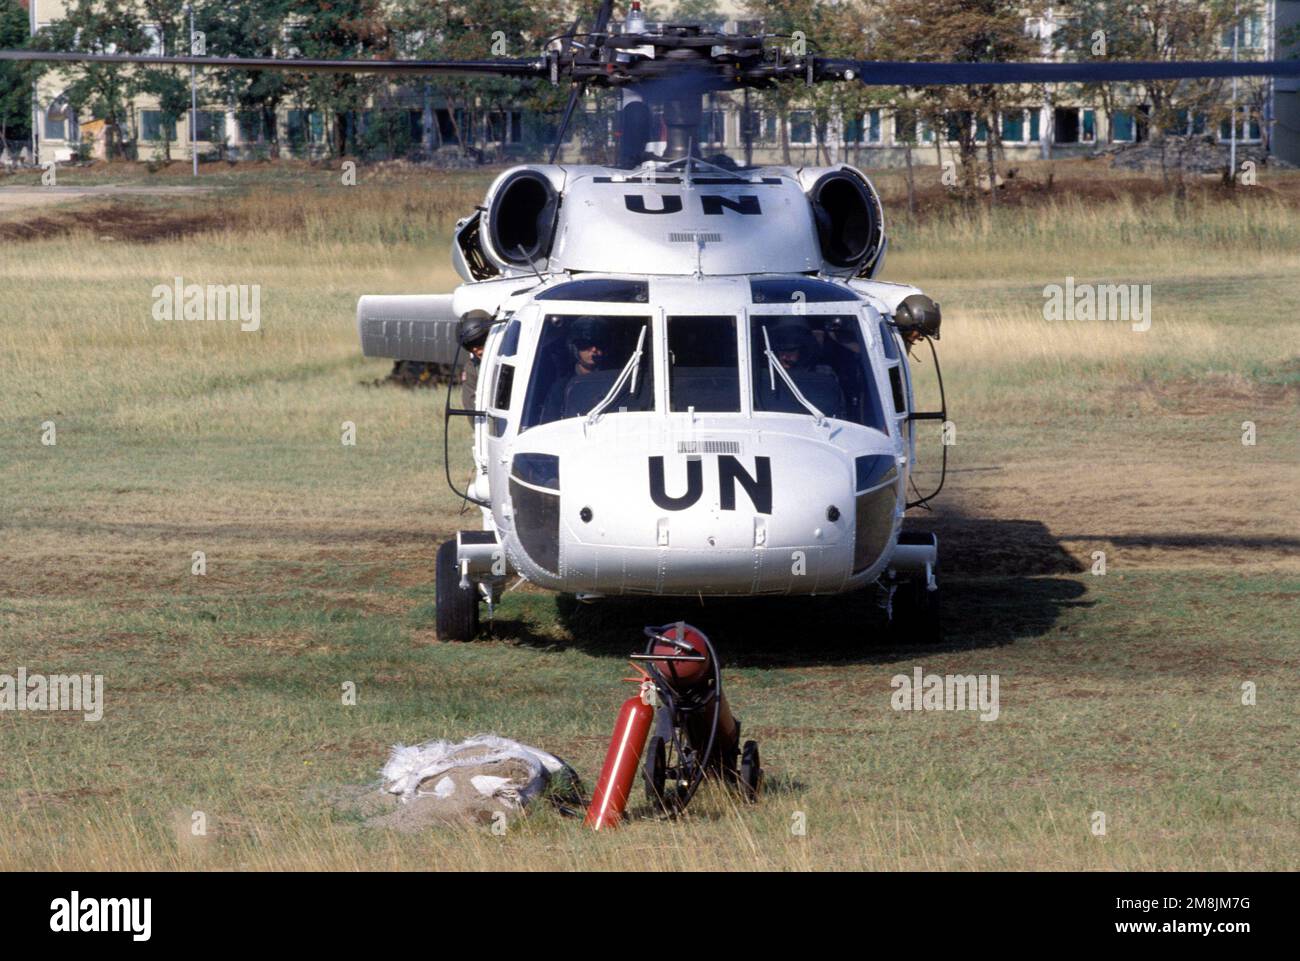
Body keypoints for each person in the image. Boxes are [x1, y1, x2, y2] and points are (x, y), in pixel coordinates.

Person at [543, 316, 609, 420]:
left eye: (599, 343)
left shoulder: (616, 381)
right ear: (574, 347)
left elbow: (624, 411)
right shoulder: (562, 388)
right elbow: (549, 422)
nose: (593, 349)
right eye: (585, 344)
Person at [457, 311, 493, 409]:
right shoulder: (472, 368)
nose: (475, 349)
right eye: (470, 345)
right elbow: (471, 406)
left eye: (479, 341)